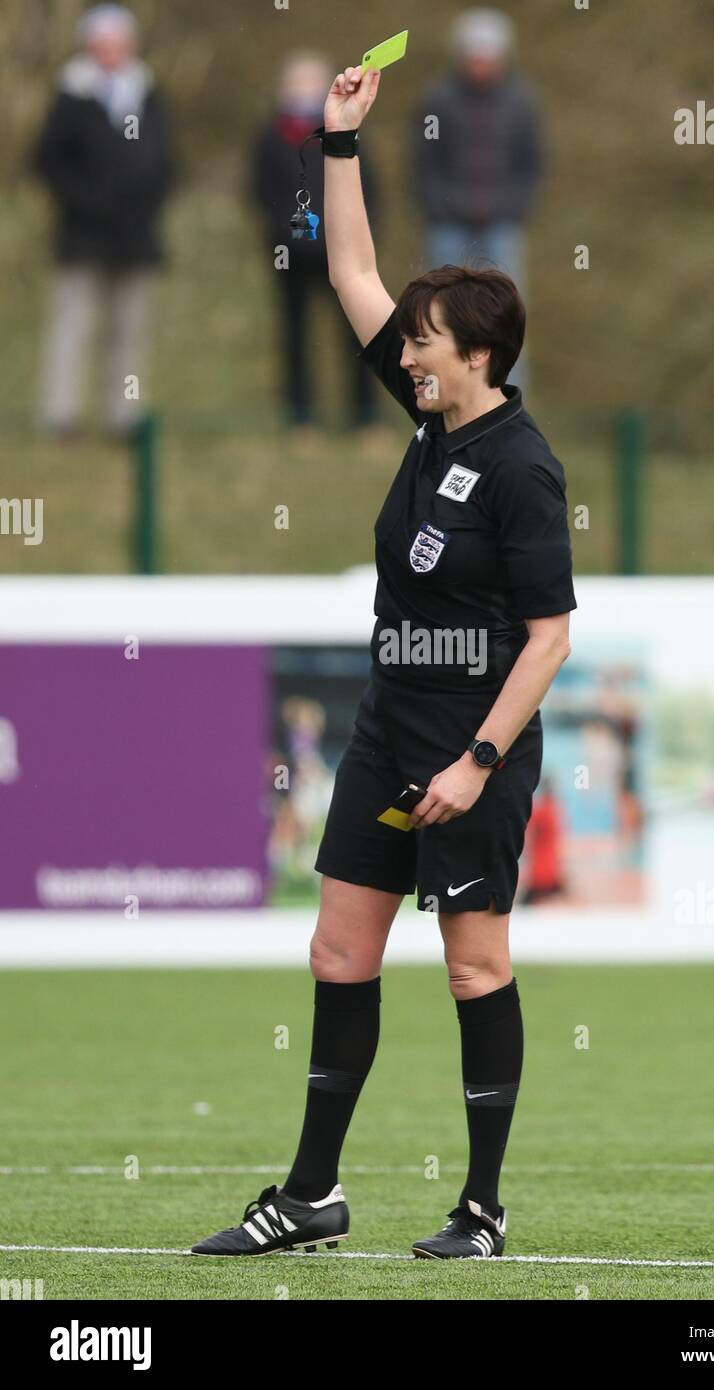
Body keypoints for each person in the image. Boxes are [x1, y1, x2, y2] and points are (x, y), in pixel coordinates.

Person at [191, 60, 575, 1263]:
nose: (406, 351)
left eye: (426, 341)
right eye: (408, 341)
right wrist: (336, 140)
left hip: (472, 746)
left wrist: (475, 759)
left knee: (473, 968)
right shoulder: (427, 418)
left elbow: (551, 635)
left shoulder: (521, 466)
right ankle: (310, 1195)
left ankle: (481, 1208)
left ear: (479, 355)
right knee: (337, 948)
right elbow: (351, 269)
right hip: (385, 731)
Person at [30, 4, 174, 439]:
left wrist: (145, 203)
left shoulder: (147, 92)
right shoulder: (71, 94)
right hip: (83, 234)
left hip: (135, 234)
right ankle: (62, 414)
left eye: (118, 43)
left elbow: (165, 161)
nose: (110, 51)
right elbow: (48, 161)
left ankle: (122, 416)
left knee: (129, 329)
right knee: (73, 323)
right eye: (102, 43)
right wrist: (86, 202)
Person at [250, 51, 385, 445]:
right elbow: (261, 192)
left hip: (342, 253)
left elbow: (369, 189)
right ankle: (301, 418)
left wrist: (358, 236)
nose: (303, 92)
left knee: (358, 334)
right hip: (292, 254)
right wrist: (289, 231)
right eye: (297, 84)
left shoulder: (345, 129)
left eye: (311, 83)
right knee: (296, 335)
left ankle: (365, 418)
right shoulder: (271, 135)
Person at [409, 8, 544, 393]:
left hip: (502, 226)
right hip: (448, 227)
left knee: (506, 316)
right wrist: (440, 208)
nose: (481, 64)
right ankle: (445, 394)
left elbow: (532, 163)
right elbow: (422, 164)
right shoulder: (437, 99)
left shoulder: (521, 102)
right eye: (474, 55)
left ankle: (503, 399)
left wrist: (513, 208)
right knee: (442, 316)